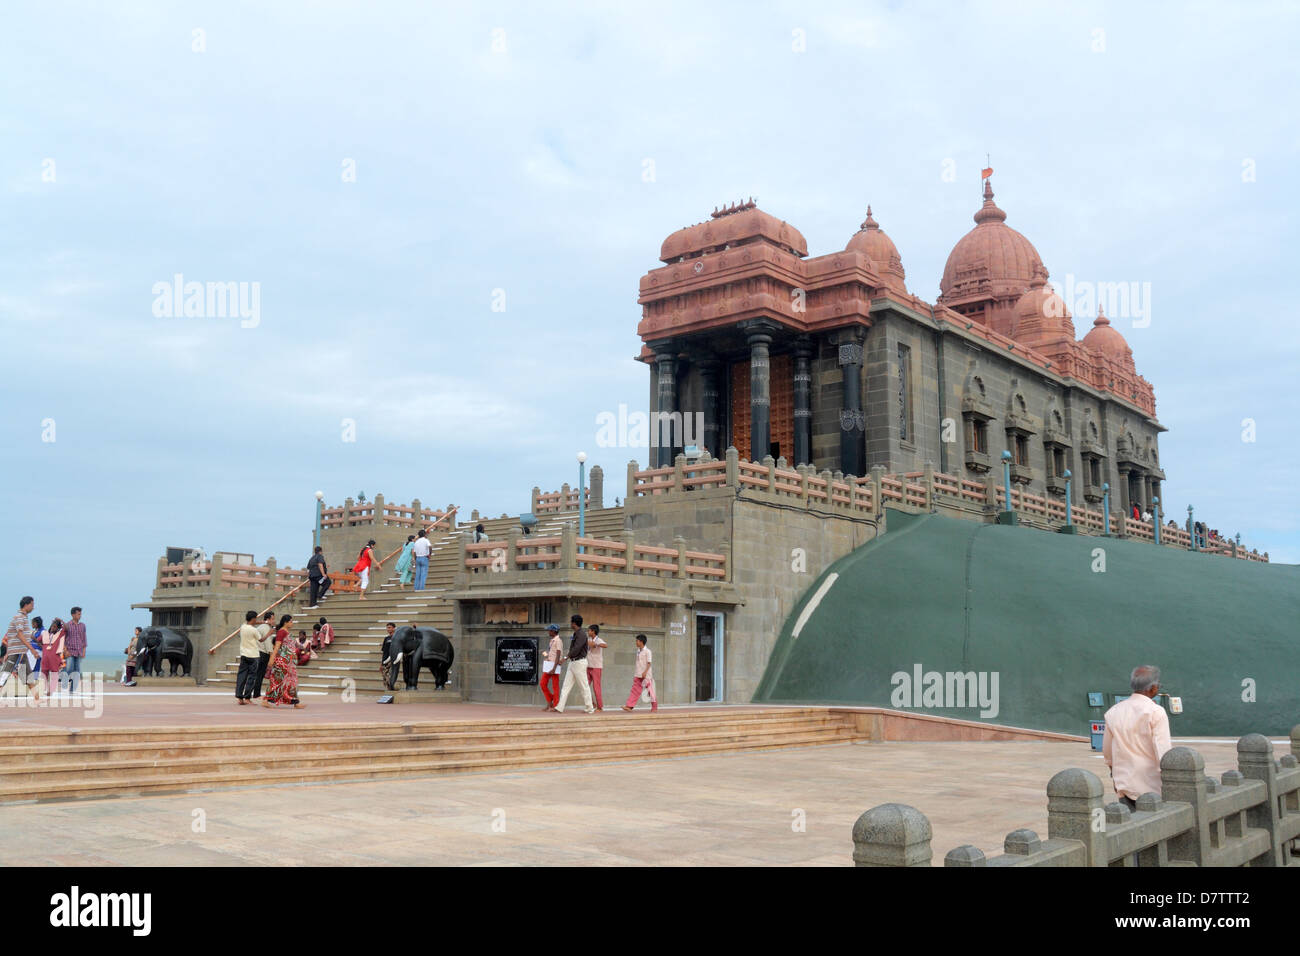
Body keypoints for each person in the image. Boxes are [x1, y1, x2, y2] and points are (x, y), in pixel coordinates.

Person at [1102, 665, 1172, 809]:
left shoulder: (1113, 712)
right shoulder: (1156, 712)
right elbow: (1163, 751)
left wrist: (1114, 777)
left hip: (1125, 784)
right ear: (1153, 688)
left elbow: (1107, 752)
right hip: (1153, 785)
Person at [554, 615, 594, 714]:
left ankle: (590, 708)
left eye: (571, 622)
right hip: (573, 662)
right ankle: (560, 706)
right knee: (566, 686)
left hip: (579, 662)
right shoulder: (577, 633)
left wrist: (565, 658)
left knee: (584, 686)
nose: (570, 624)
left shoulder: (581, 634)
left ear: (574, 623)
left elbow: (576, 648)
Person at [262, 613, 303, 708]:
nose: (292, 623)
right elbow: (277, 647)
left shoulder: (286, 632)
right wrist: (271, 659)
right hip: (282, 662)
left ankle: (294, 701)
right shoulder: (282, 632)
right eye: (291, 621)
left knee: (289, 681)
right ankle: (266, 699)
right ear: (285, 622)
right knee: (279, 681)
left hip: (288, 662)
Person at [0, 596, 35, 690]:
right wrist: (32, 649)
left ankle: (37, 698)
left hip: (21, 651)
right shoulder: (19, 617)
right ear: (26, 605)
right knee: (5, 674)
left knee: (28, 675)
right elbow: (20, 634)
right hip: (16, 651)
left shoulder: (23, 617)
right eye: (32, 605)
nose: (33, 607)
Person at [622, 633, 658, 712]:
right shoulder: (638, 651)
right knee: (635, 690)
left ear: (641, 642)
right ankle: (629, 706)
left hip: (646, 675)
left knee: (650, 690)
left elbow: (649, 663)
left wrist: (645, 672)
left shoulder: (648, 651)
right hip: (638, 674)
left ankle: (654, 706)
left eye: (637, 641)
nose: (636, 642)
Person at [234, 611, 262, 704]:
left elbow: (251, 622)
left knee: (241, 676)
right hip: (253, 655)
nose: (256, 620)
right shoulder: (254, 630)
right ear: (253, 619)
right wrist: (270, 632)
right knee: (252, 677)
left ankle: (240, 698)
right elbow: (261, 639)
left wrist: (263, 622)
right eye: (256, 619)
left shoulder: (243, 626)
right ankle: (247, 697)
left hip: (244, 655)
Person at [62, 606, 86, 693]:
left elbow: (84, 639)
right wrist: (65, 650)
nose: (80, 616)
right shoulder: (67, 625)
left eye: (80, 614)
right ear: (73, 615)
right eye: (78, 614)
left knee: (77, 671)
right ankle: (64, 684)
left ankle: (72, 690)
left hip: (79, 651)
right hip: (70, 651)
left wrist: (84, 651)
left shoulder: (82, 626)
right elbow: (63, 638)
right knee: (69, 668)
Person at [40, 616, 65, 698]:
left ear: (58, 628)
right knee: (44, 674)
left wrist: (60, 620)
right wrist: (43, 647)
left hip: (55, 657)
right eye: (52, 626)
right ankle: (45, 689)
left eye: (54, 627)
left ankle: (51, 690)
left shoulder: (60, 634)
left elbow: (66, 628)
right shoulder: (45, 634)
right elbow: (38, 640)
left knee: (54, 674)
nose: (52, 628)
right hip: (45, 657)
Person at [539, 624, 562, 711]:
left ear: (553, 631)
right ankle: (550, 700)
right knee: (543, 683)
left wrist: (554, 668)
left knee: (555, 686)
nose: (548, 632)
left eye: (549, 630)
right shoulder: (552, 641)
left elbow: (558, 654)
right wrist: (546, 655)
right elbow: (552, 653)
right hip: (549, 665)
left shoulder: (558, 641)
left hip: (554, 666)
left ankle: (555, 705)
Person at [253, 611, 275, 699]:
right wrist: (271, 655)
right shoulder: (266, 628)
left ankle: (255, 692)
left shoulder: (261, 627)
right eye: (272, 619)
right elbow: (267, 643)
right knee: (260, 674)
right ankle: (256, 693)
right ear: (268, 619)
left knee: (257, 674)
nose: (274, 621)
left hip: (258, 652)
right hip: (263, 653)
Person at [586, 623, 608, 711]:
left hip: (596, 666)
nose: (588, 632)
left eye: (589, 630)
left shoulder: (599, 640)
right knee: (585, 686)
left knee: (596, 687)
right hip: (588, 665)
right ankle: (592, 703)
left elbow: (605, 645)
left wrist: (596, 644)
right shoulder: (588, 639)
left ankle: (600, 706)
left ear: (593, 631)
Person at [380, 622, 397, 689]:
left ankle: (393, 688)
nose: (388, 629)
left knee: (391, 676)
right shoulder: (386, 638)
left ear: (394, 628)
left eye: (389, 627)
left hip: (394, 660)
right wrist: (381, 663)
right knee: (385, 677)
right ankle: (389, 689)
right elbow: (384, 652)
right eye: (387, 628)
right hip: (386, 660)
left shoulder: (397, 637)